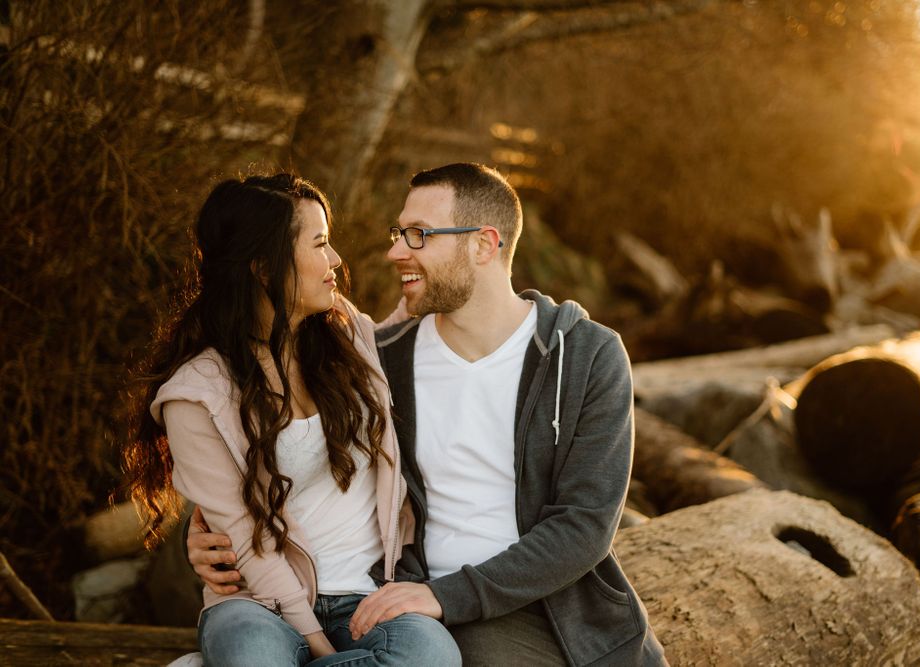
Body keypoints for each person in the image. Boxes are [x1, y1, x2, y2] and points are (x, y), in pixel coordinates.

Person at [189, 164, 667, 665]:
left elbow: (585, 523)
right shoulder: (377, 360)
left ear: (484, 245)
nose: (396, 251)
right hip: (429, 608)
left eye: (418, 235)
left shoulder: (586, 355)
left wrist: (449, 595)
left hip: (568, 602)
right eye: (399, 233)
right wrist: (204, 538)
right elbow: (279, 455)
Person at [122, 173, 461, 667]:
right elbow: (248, 544)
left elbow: (422, 322)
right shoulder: (195, 397)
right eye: (320, 244)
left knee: (434, 657)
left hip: (367, 594)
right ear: (263, 267)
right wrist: (319, 647)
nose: (336, 261)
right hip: (256, 606)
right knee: (255, 655)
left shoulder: (348, 334)